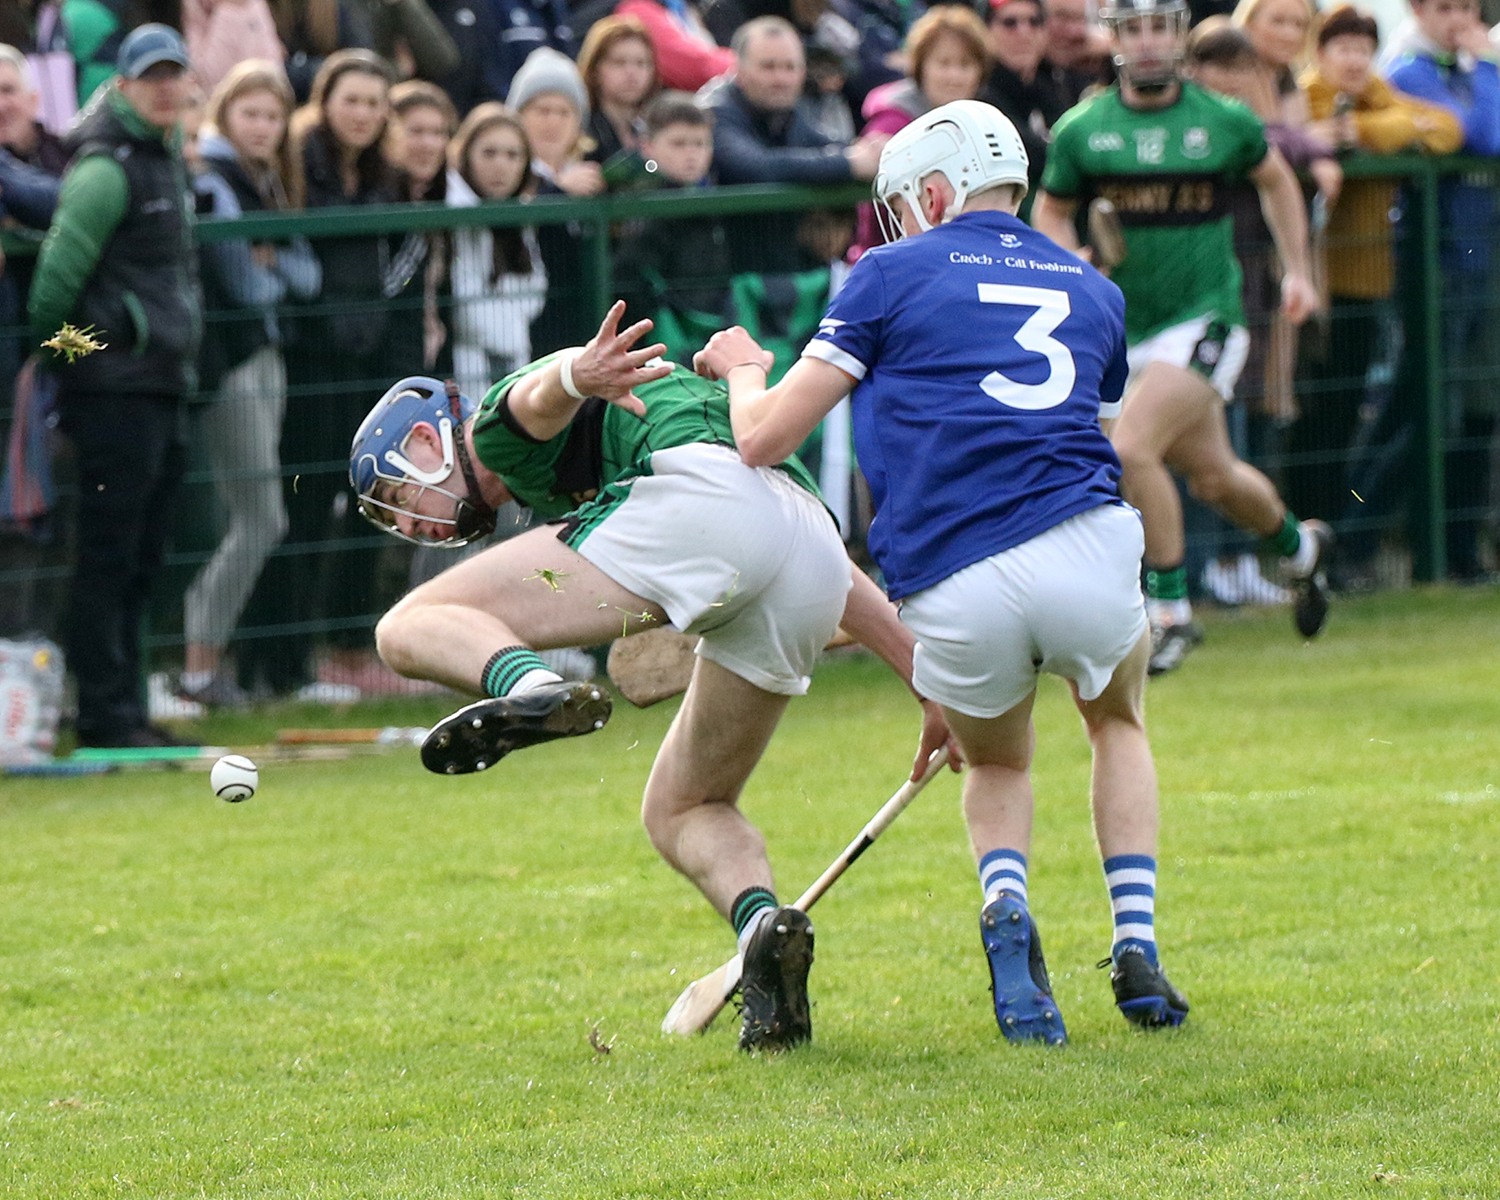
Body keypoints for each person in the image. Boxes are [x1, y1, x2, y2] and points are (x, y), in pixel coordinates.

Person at [693, 100, 1189, 1044]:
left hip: (955, 579)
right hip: (1086, 543)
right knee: (1116, 719)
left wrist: (743, 365)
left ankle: (1007, 907)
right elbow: (1100, 435)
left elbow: (760, 438)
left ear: (932, 190)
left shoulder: (886, 272)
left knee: (999, 757)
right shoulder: (1095, 289)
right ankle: (1136, 941)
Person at [349, 305, 953, 1052]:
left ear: (422, 441)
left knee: (404, 628)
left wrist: (575, 371)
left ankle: (529, 684)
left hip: (697, 507)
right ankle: (763, 932)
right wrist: (931, 685)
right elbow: (836, 577)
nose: (418, 531)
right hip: (812, 553)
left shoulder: (498, 434)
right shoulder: (677, 423)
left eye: (406, 506)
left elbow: (529, 401)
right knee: (683, 806)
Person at [1033, 0, 1332, 676]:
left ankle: (1169, 612)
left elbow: (1278, 182)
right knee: (1214, 478)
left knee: (1131, 448)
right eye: (1133, 29)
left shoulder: (1221, 120)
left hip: (1207, 317)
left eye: (1159, 29)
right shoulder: (1084, 130)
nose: (1146, 44)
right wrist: (1065, 257)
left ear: (1177, 38)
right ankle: (1303, 550)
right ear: (1117, 39)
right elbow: (1050, 207)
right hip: (1126, 325)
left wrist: (1298, 272)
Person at [27, 24, 201, 747]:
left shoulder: (161, 156)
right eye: (151, 75)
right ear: (123, 84)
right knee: (109, 557)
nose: (165, 87)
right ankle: (104, 712)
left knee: (143, 557)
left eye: (174, 74)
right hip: (115, 396)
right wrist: (98, 352)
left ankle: (127, 710)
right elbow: (50, 293)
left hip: (157, 385)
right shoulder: (105, 167)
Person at [181, 60, 321, 710]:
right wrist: (272, 264)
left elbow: (305, 274)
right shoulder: (213, 176)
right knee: (260, 515)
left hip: (269, 353)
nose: (263, 127)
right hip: (231, 358)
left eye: (273, 115)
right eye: (251, 114)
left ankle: (207, 663)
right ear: (225, 116)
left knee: (259, 516)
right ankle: (197, 664)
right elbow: (248, 282)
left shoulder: (266, 179)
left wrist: (274, 263)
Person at [1296, 6, 1461, 559]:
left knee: (1343, 420)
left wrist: (1364, 130)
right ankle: (1299, 536)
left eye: (1364, 49)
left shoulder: (1376, 96)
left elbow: (1448, 127)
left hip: (1366, 288)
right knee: (1310, 422)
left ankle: (1328, 542)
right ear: (1321, 53)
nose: (1354, 60)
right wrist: (1383, 131)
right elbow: (1308, 131)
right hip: (1313, 288)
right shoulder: (1310, 92)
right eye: (1342, 48)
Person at [1382, 0, 1500, 581]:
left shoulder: (1466, 70)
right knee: (1422, 414)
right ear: (1417, 10)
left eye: (1468, 8)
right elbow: (1484, 135)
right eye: (1446, 8)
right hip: (1437, 271)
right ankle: (1360, 543)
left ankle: (1461, 554)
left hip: (1482, 270)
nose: (1460, 19)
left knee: (1478, 413)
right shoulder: (1409, 71)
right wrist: (1484, 66)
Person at [851, 5, 990, 258]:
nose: (954, 76)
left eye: (965, 64)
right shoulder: (892, 119)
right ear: (921, 67)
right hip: (890, 257)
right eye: (943, 63)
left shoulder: (982, 120)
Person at [444, 102, 548, 399]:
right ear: (466, 154)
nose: (501, 165)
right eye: (489, 153)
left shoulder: (522, 215)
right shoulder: (453, 212)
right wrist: (510, 330)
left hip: (514, 363)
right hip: (461, 368)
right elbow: (465, 306)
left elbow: (535, 290)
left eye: (513, 155)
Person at [981, 0, 1072, 200]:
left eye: (1034, 21)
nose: (1024, 32)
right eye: (1010, 23)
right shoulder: (979, 94)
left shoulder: (1057, 83)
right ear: (985, 31)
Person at [578, 15, 659, 173]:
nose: (631, 73)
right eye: (619, 62)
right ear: (595, 70)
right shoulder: (579, 131)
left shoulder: (653, 130)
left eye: (641, 63)